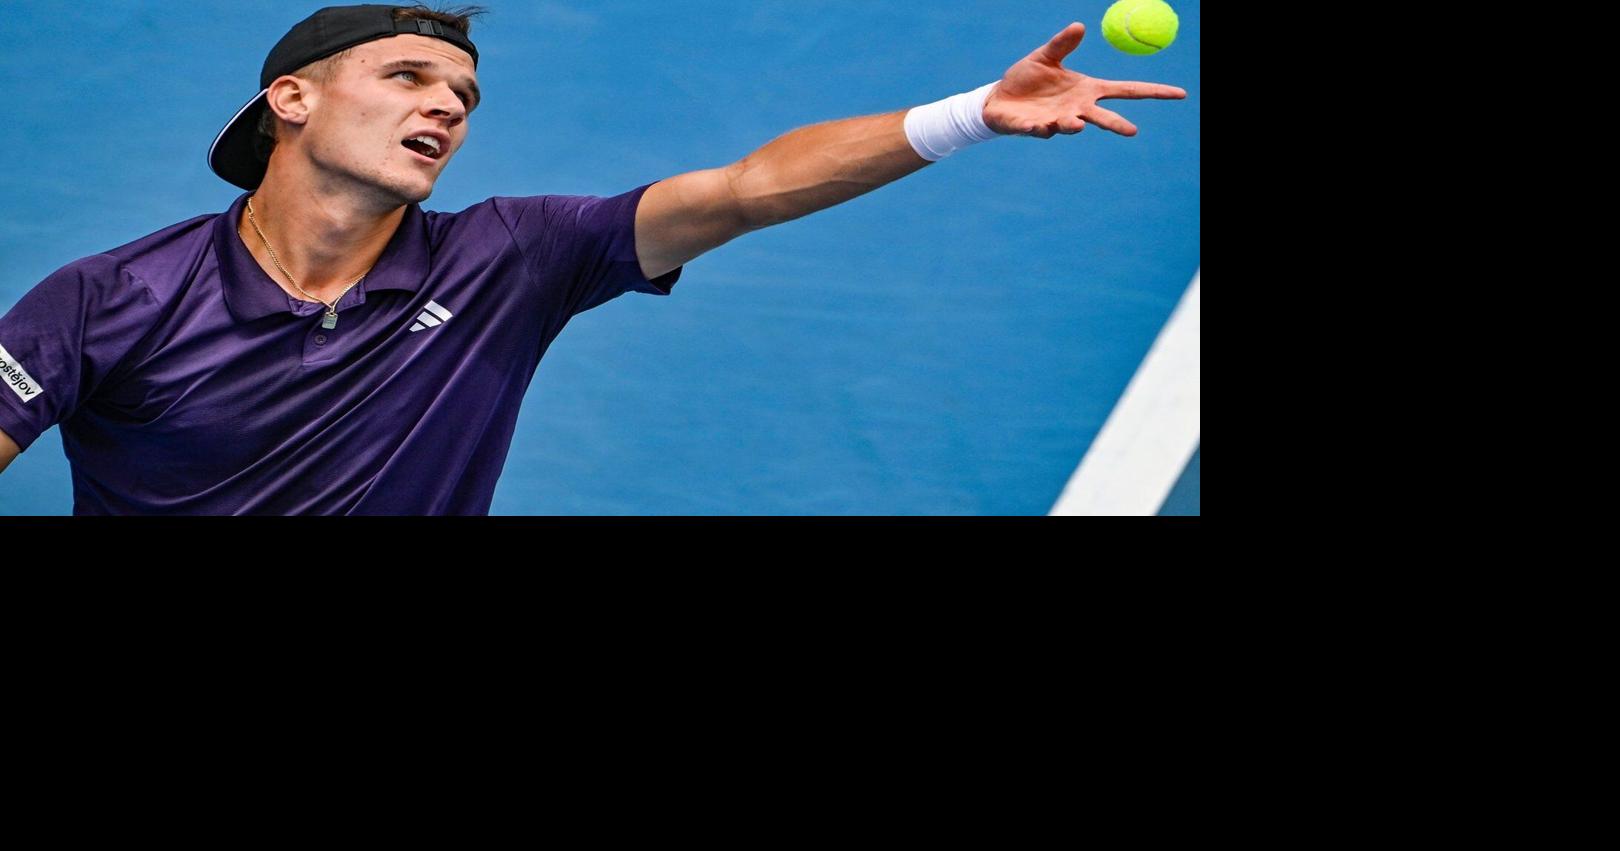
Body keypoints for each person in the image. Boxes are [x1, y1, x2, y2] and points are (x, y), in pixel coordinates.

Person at [0, 3, 1187, 514]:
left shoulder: (512, 256)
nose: (446, 107)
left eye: (463, 94)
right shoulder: (110, 299)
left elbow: (747, 188)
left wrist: (974, 109)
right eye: (407, 77)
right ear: (292, 99)